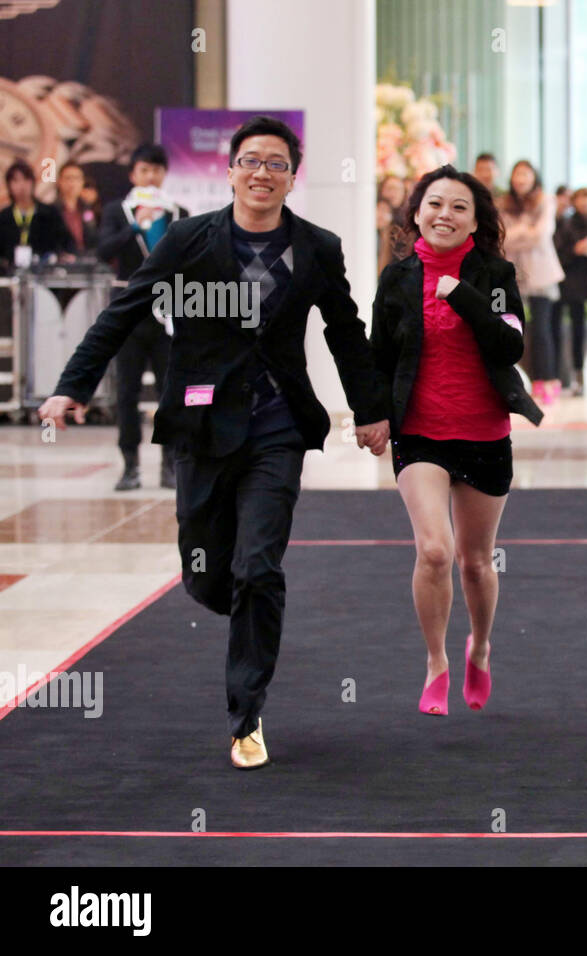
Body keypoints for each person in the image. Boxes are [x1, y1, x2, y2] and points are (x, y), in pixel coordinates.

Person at [39, 115, 391, 770]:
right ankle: (229, 592)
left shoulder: (317, 247)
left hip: (279, 425)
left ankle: (247, 714)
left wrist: (370, 410)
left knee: (259, 568)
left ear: (292, 175)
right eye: (251, 161)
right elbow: (124, 312)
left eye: (276, 163)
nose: (262, 173)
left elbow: (345, 330)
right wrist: (73, 386)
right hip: (202, 427)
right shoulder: (186, 240)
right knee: (207, 575)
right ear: (230, 171)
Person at [369, 165, 543, 717]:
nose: (445, 214)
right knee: (435, 551)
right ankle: (436, 661)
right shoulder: (395, 279)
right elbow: (378, 356)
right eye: (435, 204)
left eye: (459, 207)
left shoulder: (494, 273)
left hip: (485, 431)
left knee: (475, 563)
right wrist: (370, 415)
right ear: (417, 212)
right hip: (419, 433)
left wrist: (464, 296)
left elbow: (508, 347)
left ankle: (481, 647)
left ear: (475, 220)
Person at [97, 143, 191, 491]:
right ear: (133, 175)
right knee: (127, 392)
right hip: (129, 315)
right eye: (144, 170)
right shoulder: (117, 212)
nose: (150, 177)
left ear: (164, 175)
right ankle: (130, 465)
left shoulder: (179, 212)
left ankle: (169, 462)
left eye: (156, 170)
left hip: (168, 315)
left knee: (171, 392)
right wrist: (136, 227)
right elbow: (103, 250)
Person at [498, 160, 566, 404]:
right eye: (517, 174)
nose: (521, 179)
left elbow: (542, 234)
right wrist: (525, 231)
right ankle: (513, 380)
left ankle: (546, 379)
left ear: (534, 177)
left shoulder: (546, 200)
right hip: (513, 272)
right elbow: (501, 238)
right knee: (511, 327)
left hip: (541, 271)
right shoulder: (503, 203)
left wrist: (521, 233)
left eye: (526, 174)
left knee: (542, 328)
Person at [554, 186, 587, 394]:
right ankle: (578, 377)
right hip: (574, 282)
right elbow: (559, 253)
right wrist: (575, 250)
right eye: (580, 199)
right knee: (577, 328)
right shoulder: (566, 224)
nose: (585, 203)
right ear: (574, 201)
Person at [0, 159, 74, 267]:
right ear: (9, 185)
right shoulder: (4, 217)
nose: (22, 185)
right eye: (15, 180)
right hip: (10, 271)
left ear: (32, 182)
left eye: (26, 179)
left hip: (45, 270)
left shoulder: (49, 213)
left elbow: (66, 242)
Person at [53, 162, 98, 255]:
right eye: (68, 178)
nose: (72, 183)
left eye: (77, 178)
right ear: (59, 181)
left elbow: (94, 238)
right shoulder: (51, 211)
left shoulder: (88, 209)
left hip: (86, 260)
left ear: (82, 182)